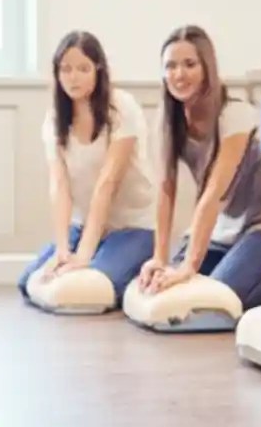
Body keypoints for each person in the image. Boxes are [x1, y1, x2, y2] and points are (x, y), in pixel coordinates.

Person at [136, 25, 261, 309]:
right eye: (171, 66)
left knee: (215, 297)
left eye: (189, 64)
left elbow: (213, 194)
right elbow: (166, 191)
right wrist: (160, 257)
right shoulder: (169, 122)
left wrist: (189, 266)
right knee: (166, 286)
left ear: (207, 67)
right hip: (221, 229)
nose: (179, 74)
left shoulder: (235, 114)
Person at [18, 31, 157, 306]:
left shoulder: (122, 108)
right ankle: (94, 253)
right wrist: (62, 248)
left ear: (98, 70)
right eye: (66, 69)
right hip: (84, 225)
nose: (73, 77)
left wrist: (83, 256)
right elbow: (59, 187)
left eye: (83, 68)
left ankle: (128, 262)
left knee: (89, 289)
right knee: (28, 282)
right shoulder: (55, 118)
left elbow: (107, 184)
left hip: (132, 226)